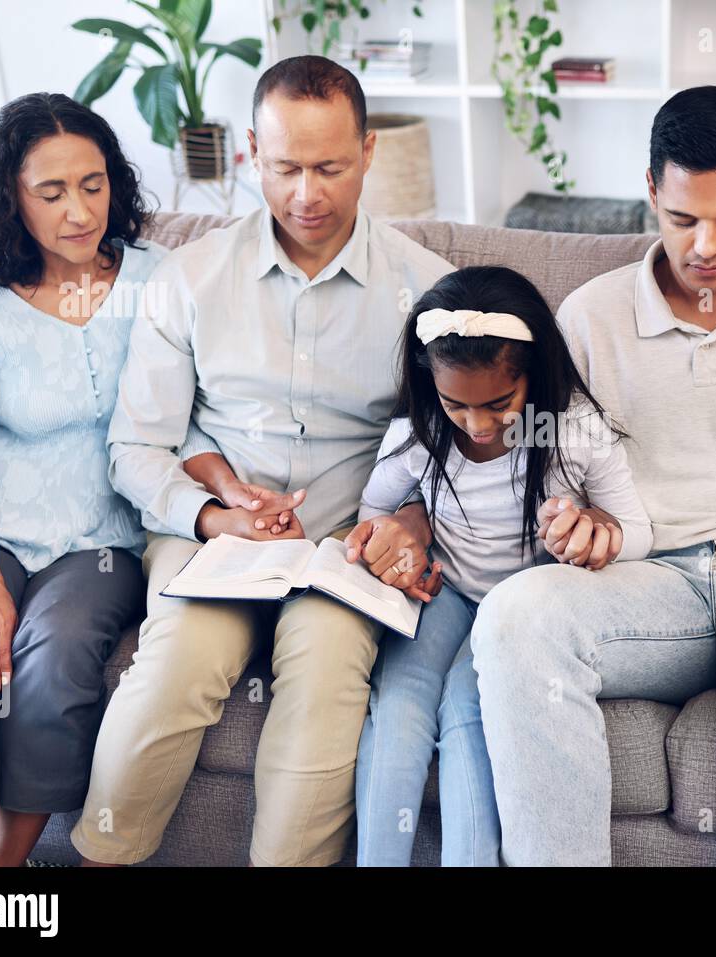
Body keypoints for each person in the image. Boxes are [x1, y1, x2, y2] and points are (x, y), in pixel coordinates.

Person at [469, 86, 716, 866]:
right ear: (651, 190)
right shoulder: (588, 318)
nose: (706, 247)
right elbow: (554, 475)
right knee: (516, 616)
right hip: (643, 582)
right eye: (683, 218)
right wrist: (573, 522)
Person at [69, 55, 453, 867]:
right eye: (283, 168)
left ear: (369, 153)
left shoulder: (430, 295)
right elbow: (137, 447)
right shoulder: (191, 276)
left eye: (329, 167)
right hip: (215, 539)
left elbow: (453, 450)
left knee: (322, 691)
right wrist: (214, 515)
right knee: (169, 670)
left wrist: (409, 523)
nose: (305, 194)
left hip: (343, 547)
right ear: (249, 152)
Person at [0, 93, 166, 865]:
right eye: (50, 192)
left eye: (93, 184)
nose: (80, 211)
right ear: (9, 198)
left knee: (50, 671)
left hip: (103, 538)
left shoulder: (161, 281)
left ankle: (2, 877)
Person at [353, 266, 652, 865]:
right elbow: (372, 515)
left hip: (517, 617)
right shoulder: (419, 434)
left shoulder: (573, 433)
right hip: (445, 596)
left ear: (533, 378)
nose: (478, 425)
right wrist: (400, 541)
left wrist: (601, 531)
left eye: (499, 403)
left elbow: (640, 531)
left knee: (468, 709)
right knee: (398, 702)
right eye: (454, 404)